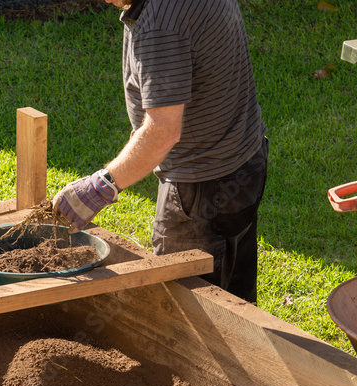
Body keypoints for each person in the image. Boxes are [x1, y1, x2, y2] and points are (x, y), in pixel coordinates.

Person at [52, 0, 268, 303]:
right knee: (238, 301)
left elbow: (162, 132)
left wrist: (102, 185)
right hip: (246, 158)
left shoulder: (161, 27)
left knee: (187, 308)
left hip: (203, 191)